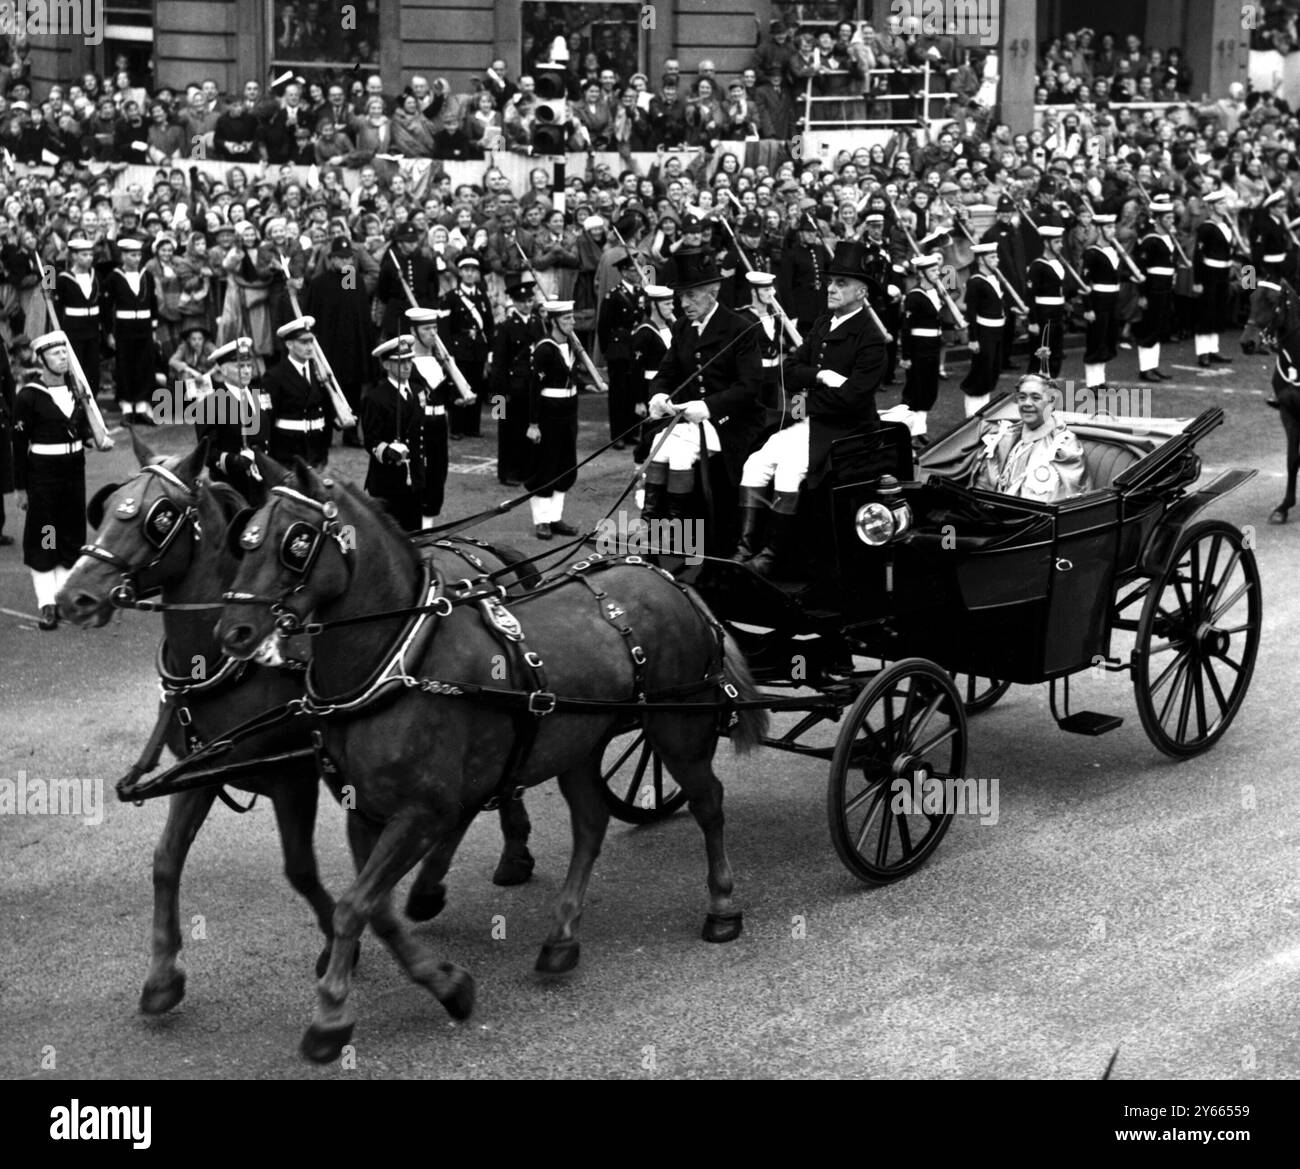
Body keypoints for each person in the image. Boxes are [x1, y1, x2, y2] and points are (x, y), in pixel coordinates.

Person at [735, 241, 885, 576]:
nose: (831, 288)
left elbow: (851, 399)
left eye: (841, 284)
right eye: (831, 281)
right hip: (811, 422)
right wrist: (823, 375)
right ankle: (744, 549)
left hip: (847, 430)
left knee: (789, 469)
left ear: (862, 292)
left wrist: (809, 397)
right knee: (755, 463)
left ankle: (772, 556)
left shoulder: (870, 337)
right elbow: (790, 369)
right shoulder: (822, 323)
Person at [645, 250, 763, 549]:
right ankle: (658, 527)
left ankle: (685, 534)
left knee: (681, 455)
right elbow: (667, 371)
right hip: (690, 418)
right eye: (681, 297)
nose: (684, 304)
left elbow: (750, 387)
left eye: (692, 296)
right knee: (659, 450)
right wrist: (658, 394)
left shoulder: (741, 327)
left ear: (714, 292)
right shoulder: (682, 327)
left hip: (731, 421)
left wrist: (710, 406)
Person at [11, 331, 109, 629]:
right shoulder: (29, 396)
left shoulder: (77, 390)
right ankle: (48, 602)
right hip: (43, 473)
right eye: (55, 354)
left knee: (70, 532)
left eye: (65, 353)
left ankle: (66, 598)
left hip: (73, 470)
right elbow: (18, 445)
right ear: (41, 360)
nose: (63, 358)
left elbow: (84, 429)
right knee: (47, 534)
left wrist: (98, 436)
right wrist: (20, 487)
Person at [973, 355, 1091, 502]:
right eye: (1022, 397)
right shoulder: (1005, 434)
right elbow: (983, 485)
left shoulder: (1063, 446)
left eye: (1035, 398)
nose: (1026, 404)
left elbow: (1051, 502)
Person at [303, 235, 374, 447]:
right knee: (326, 390)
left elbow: (356, 311)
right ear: (331, 258)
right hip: (328, 347)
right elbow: (312, 314)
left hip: (351, 347)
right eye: (340, 259)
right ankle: (324, 434)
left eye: (348, 258)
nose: (345, 263)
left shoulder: (351, 278)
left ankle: (351, 432)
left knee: (352, 389)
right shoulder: (319, 283)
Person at [525, 300, 582, 540]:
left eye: (572, 317)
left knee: (566, 466)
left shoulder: (571, 344)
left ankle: (555, 517)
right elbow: (533, 388)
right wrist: (533, 423)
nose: (573, 322)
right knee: (546, 466)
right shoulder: (544, 349)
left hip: (569, 411)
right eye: (567, 318)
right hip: (549, 412)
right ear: (555, 321)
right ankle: (541, 521)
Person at [361, 334, 425, 532]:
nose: (407, 366)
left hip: (414, 475)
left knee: (414, 534)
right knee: (389, 537)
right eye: (400, 362)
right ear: (387, 365)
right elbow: (371, 439)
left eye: (409, 360)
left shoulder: (417, 390)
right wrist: (387, 450)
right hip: (387, 481)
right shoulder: (375, 397)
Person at [196, 335, 273, 497]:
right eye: (240, 366)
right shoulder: (210, 403)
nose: (246, 371)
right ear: (223, 370)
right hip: (231, 487)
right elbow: (207, 452)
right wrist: (234, 460)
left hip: (264, 481)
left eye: (249, 366)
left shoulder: (260, 393)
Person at [406, 307, 462, 527]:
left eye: (435, 328)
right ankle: (414, 529)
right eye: (426, 328)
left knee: (437, 476)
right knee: (418, 477)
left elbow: (449, 396)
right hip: (418, 425)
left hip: (439, 423)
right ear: (414, 331)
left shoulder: (441, 362)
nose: (433, 333)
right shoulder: (406, 365)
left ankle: (427, 528)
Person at [885, 253, 946, 450]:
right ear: (921, 274)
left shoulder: (936, 292)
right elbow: (906, 328)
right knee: (914, 391)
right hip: (918, 348)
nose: (937, 274)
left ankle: (920, 430)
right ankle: (906, 431)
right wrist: (906, 356)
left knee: (929, 390)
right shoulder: (914, 296)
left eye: (937, 270)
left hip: (933, 346)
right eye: (932, 271)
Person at [490, 272, 542, 486]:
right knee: (508, 430)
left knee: (530, 427)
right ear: (514, 302)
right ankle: (508, 472)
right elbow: (499, 364)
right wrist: (498, 398)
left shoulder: (538, 323)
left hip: (531, 383)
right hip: (511, 387)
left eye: (530, 300)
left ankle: (527, 470)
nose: (527, 305)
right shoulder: (506, 327)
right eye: (522, 302)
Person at [263, 316, 334, 467]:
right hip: (288, 454)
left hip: (316, 451)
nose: (309, 347)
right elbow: (266, 418)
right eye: (303, 342)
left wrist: (324, 449)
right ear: (289, 344)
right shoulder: (274, 376)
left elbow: (327, 411)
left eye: (311, 341)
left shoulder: (319, 372)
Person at [103, 238, 158, 424]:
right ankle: (127, 407)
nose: (137, 258)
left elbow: (153, 302)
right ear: (124, 256)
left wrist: (154, 327)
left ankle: (142, 406)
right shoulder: (114, 277)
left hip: (143, 326)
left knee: (144, 364)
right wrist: (109, 333)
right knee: (125, 366)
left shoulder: (147, 276)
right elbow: (107, 307)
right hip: (124, 328)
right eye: (132, 255)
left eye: (139, 254)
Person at [441, 251, 494, 439]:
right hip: (459, 348)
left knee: (476, 387)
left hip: (478, 349)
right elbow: (445, 329)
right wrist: (448, 353)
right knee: (459, 387)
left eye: (473, 270)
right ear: (460, 273)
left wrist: (489, 352)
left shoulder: (482, 297)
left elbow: (489, 325)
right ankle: (456, 427)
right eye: (466, 270)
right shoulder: (451, 297)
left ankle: (473, 426)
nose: (470, 274)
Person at [596, 250, 642, 448]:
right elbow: (603, 326)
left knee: (634, 389)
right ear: (623, 272)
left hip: (636, 346)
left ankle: (632, 431)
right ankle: (618, 434)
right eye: (632, 270)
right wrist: (608, 350)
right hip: (619, 346)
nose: (637, 273)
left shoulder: (641, 293)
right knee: (618, 393)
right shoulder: (613, 296)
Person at [1132, 197, 1177, 382]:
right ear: (1157, 219)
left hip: (1166, 287)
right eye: (1167, 218)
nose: (1171, 221)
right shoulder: (1149, 240)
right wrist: (1142, 294)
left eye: (1172, 217)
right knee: (1149, 327)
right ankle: (1145, 368)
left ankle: (1153, 365)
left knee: (1159, 327)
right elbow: (1141, 268)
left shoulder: (1168, 237)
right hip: (1153, 289)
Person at [959, 241, 1007, 416]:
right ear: (981, 260)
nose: (997, 260)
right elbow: (971, 313)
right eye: (992, 257)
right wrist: (973, 339)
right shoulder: (975, 282)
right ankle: (972, 415)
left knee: (992, 373)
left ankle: (983, 412)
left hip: (997, 331)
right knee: (980, 373)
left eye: (996, 256)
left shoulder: (994, 278)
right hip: (983, 332)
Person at [54, 237, 102, 401]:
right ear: (74, 256)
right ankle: (76, 404)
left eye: (90, 254)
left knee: (93, 369)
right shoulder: (63, 278)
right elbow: (57, 307)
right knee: (76, 368)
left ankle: (92, 402)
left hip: (93, 331)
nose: (89, 258)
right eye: (84, 255)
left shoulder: (95, 276)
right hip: (73, 331)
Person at [1080, 213, 1124, 391]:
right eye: (1108, 227)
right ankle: (1092, 383)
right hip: (1098, 300)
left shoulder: (1114, 251)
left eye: (1113, 227)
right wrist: (1087, 308)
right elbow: (1083, 283)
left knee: (1107, 339)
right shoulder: (1091, 253)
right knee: (1095, 340)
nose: (1112, 230)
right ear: (1098, 230)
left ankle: (1101, 380)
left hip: (1113, 300)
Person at [1192, 189, 1235, 369]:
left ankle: (1213, 349)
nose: (1224, 206)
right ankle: (1203, 352)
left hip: (1223, 273)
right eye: (1219, 203)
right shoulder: (1206, 227)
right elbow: (1197, 255)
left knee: (1218, 309)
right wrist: (1197, 281)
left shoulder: (1227, 225)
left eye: (1224, 203)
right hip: (1209, 273)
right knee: (1205, 311)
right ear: (1211, 207)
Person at [1026, 223, 1069, 377]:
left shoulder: (1058, 263)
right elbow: (1029, 295)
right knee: (1041, 354)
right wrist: (1032, 321)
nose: (1060, 245)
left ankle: (1050, 386)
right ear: (1046, 243)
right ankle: (1033, 390)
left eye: (1060, 241)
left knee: (1056, 354)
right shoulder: (1037, 266)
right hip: (1044, 314)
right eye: (1056, 242)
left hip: (1057, 313)